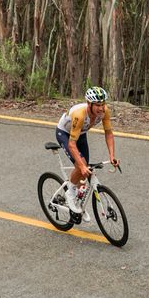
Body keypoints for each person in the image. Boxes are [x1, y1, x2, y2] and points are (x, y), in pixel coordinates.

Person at [56, 86, 118, 217]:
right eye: (98, 105)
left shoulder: (104, 112)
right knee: (81, 165)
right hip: (65, 134)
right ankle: (70, 194)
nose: (101, 108)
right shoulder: (79, 115)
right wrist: (81, 165)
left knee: (85, 170)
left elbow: (109, 133)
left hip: (81, 134)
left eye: (103, 104)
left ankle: (77, 205)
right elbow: (72, 144)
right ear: (89, 104)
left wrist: (112, 156)